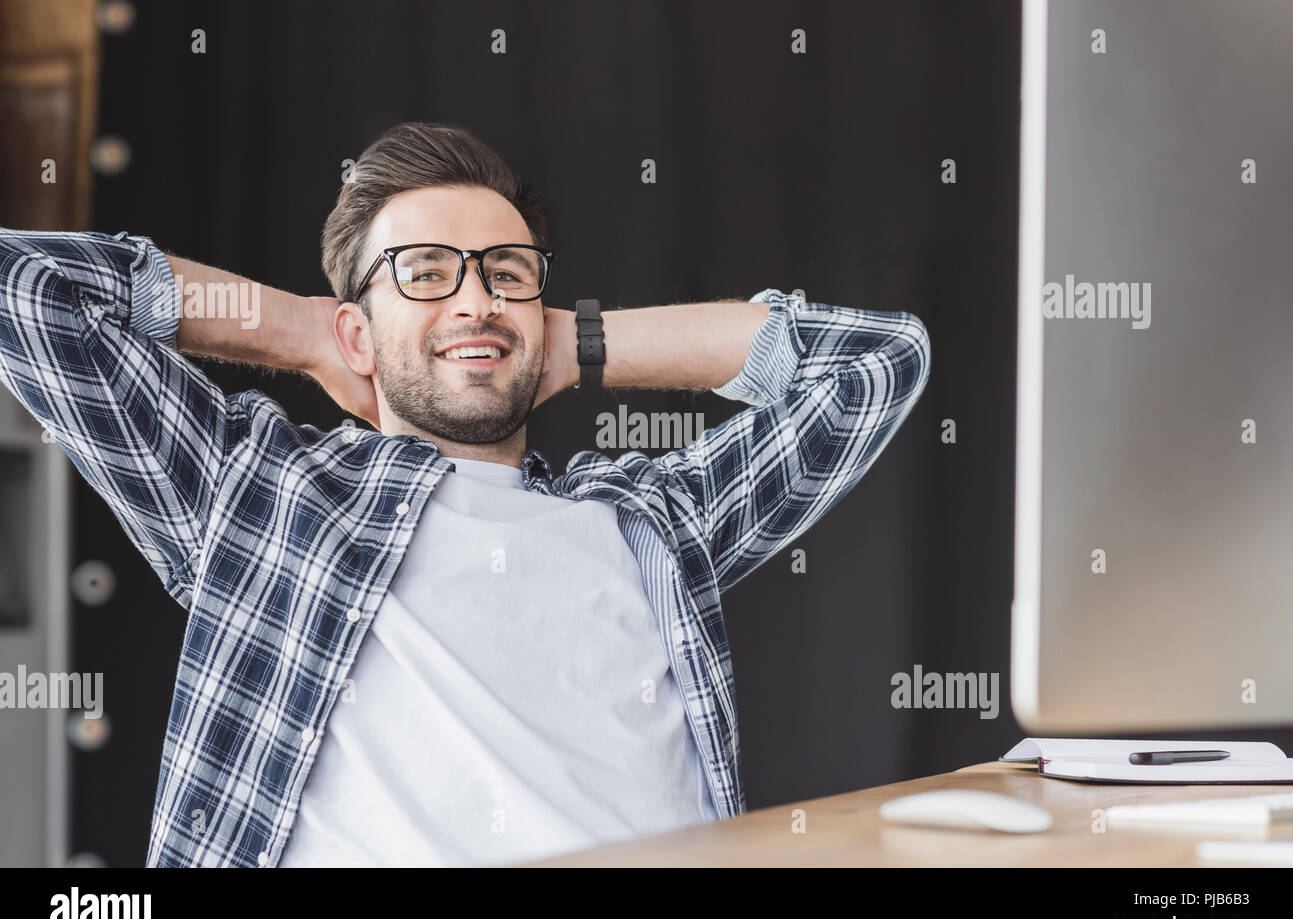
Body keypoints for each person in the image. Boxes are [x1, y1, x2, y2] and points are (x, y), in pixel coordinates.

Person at [0, 121, 930, 867]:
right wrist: (302, 332)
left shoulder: (650, 519)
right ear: (359, 330)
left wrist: (583, 344)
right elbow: (26, 288)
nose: (475, 301)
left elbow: (878, 364)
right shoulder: (264, 496)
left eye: (507, 273)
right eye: (426, 272)